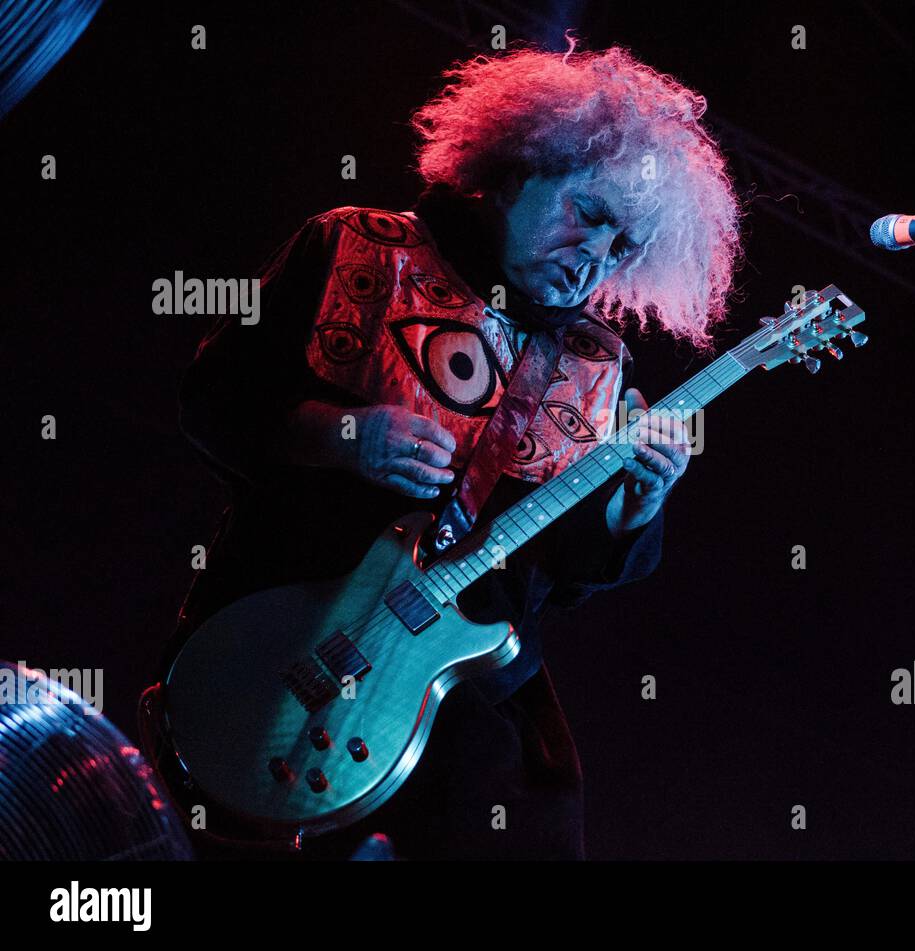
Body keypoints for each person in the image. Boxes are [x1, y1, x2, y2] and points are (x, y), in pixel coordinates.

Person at [146, 42, 742, 860]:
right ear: (516, 164)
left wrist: (638, 505)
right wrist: (340, 434)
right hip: (278, 657)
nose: (592, 259)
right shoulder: (354, 246)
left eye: (620, 250)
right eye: (588, 214)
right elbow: (212, 400)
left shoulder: (596, 364)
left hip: (466, 711)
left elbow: (566, 573)